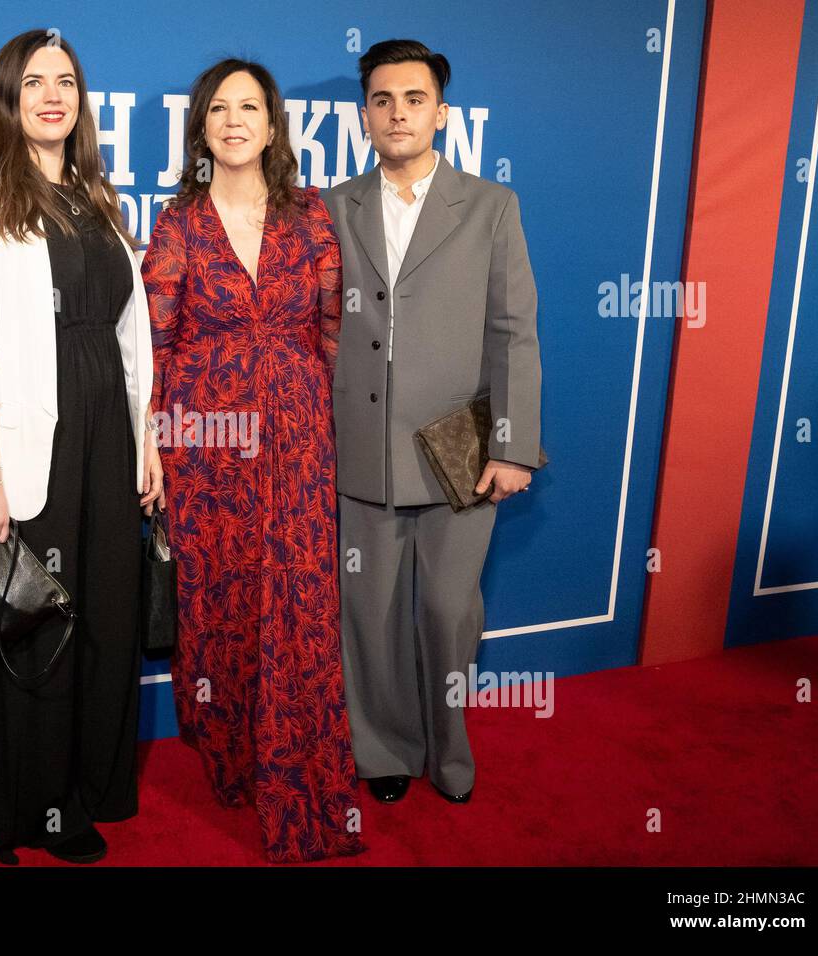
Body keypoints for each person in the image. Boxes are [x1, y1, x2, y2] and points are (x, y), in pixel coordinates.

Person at [0, 28, 162, 865]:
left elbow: (133, 338)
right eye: (34, 82)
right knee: (36, 622)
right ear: (8, 97)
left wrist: (149, 443)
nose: (53, 95)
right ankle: (40, 809)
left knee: (103, 613)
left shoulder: (101, 198)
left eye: (66, 80)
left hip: (110, 434)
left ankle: (96, 785)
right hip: (31, 447)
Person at [140, 58, 363, 863]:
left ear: (273, 125)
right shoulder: (176, 224)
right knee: (222, 604)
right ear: (200, 127)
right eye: (219, 109)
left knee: (300, 603)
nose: (234, 121)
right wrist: (153, 445)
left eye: (250, 107)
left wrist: (321, 427)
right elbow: (158, 347)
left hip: (298, 435)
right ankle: (234, 760)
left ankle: (303, 782)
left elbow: (332, 333)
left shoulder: (311, 220)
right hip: (204, 441)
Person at [323, 39, 543, 806]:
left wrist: (513, 447)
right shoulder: (330, 206)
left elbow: (514, 331)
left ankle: (449, 754)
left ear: (441, 113)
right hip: (360, 453)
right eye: (382, 100)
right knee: (371, 615)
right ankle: (383, 751)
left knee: (450, 615)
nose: (397, 113)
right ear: (365, 115)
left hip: (460, 453)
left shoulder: (490, 206)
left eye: (413, 99)